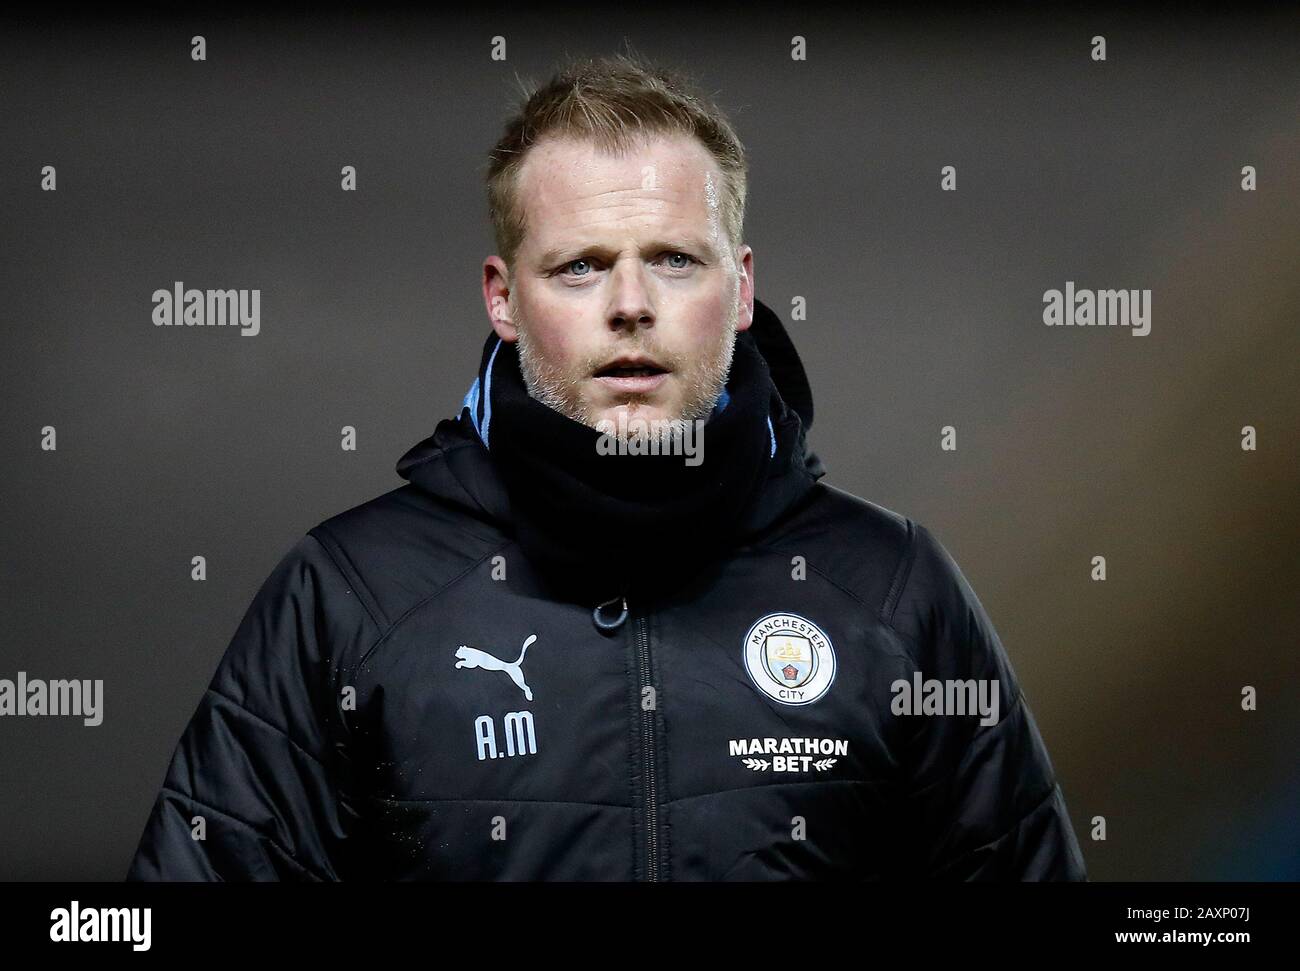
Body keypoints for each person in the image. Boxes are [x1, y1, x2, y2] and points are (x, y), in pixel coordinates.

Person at [126, 52, 1087, 881]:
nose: (630, 303)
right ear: (503, 298)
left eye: (673, 259)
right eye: (580, 265)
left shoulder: (894, 590)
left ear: (742, 287)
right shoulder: (350, 599)